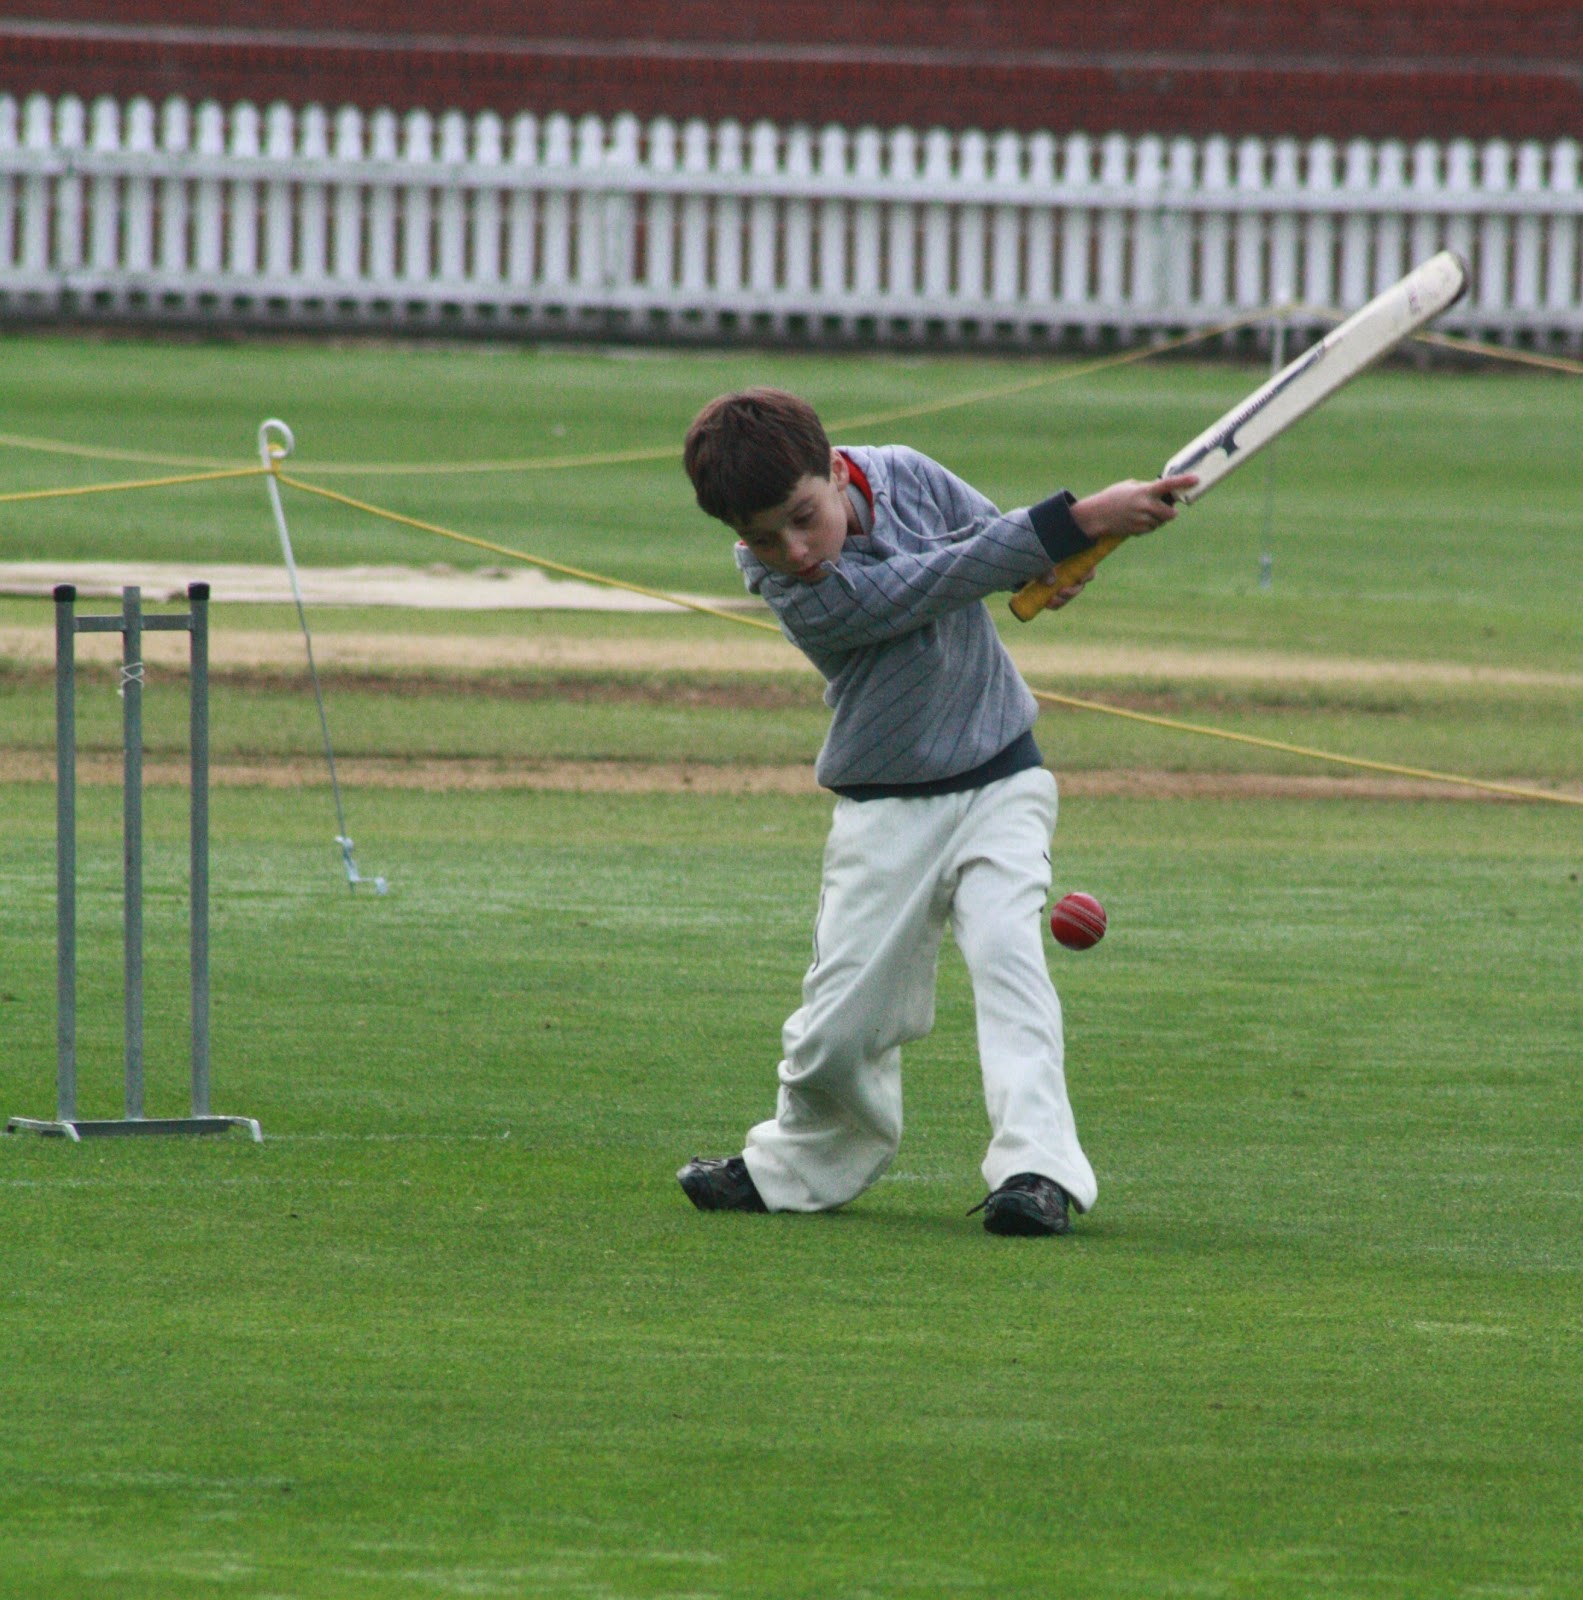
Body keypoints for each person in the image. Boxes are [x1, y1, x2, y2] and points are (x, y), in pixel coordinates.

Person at [676, 387, 1192, 1236]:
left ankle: (1037, 1172)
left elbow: (994, 548)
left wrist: (1058, 563)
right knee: (838, 1025)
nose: (794, 550)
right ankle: (796, 1164)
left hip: (1001, 776)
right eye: (765, 536)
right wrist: (1071, 520)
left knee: (1007, 958)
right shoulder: (795, 588)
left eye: (804, 517)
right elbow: (927, 582)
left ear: (834, 469)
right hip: (886, 805)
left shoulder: (908, 476)